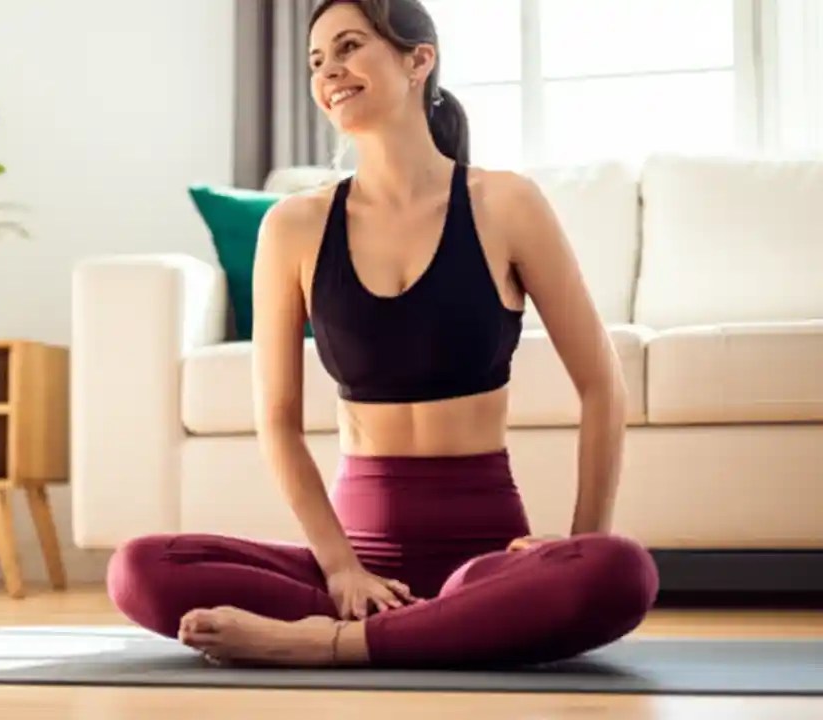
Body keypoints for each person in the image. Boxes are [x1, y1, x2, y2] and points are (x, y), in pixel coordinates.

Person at [105, 0, 660, 668]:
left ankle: (327, 645)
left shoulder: (504, 204)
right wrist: (340, 569)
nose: (329, 72)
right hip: (355, 573)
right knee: (138, 569)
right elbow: (277, 423)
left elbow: (602, 386)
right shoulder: (294, 225)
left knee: (620, 572)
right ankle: (420, 631)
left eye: (348, 48)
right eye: (316, 61)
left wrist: (579, 549)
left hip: (486, 565)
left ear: (418, 60)